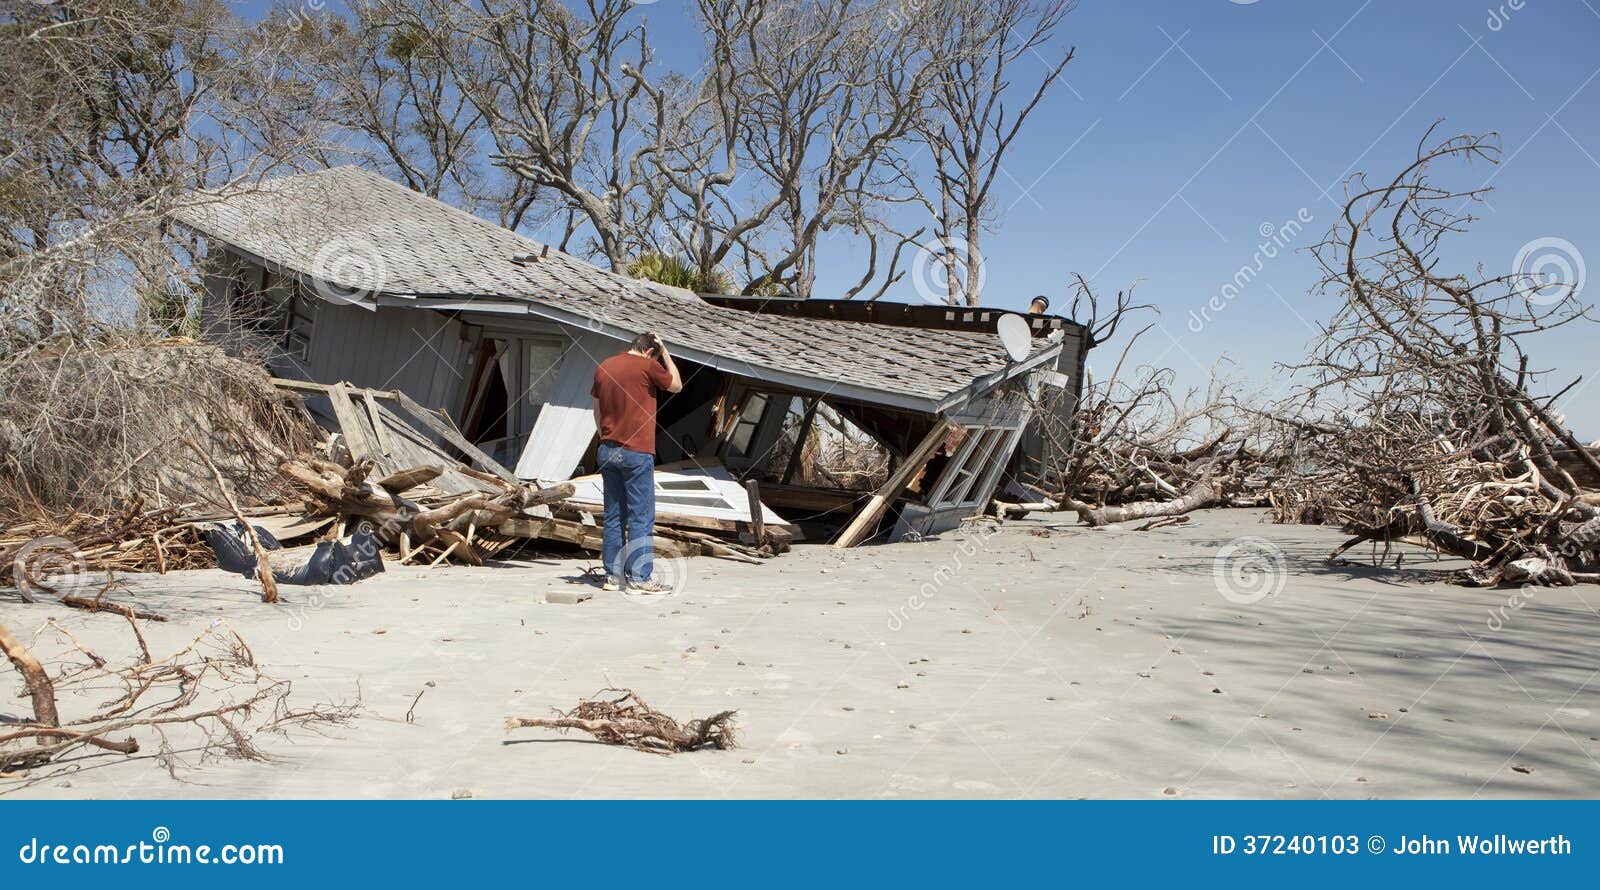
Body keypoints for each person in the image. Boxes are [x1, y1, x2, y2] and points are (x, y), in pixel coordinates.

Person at [591, 332, 683, 592]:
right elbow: (676, 385)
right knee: (641, 516)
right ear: (649, 352)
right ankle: (640, 578)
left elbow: (596, 409)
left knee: (613, 515)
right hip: (636, 451)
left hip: (608, 449)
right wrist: (666, 352)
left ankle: (613, 576)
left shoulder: (604, 366)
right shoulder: (649, 365)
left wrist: (606, 438)